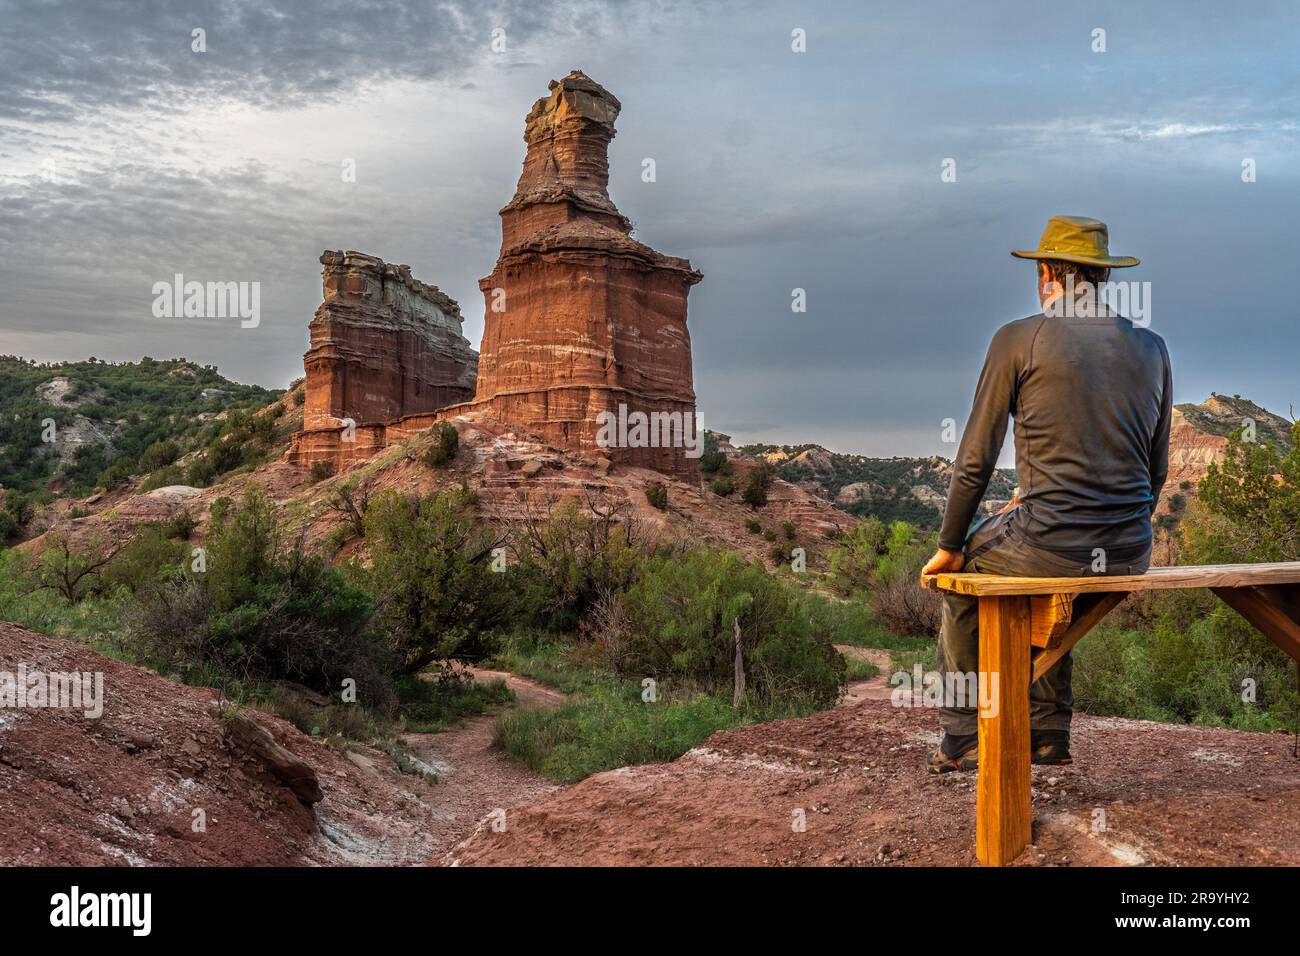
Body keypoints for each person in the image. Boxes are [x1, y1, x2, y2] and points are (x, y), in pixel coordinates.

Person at [921, 215, 1172, 773]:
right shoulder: (1153, 347)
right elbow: (1157, 470)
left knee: (961, 586)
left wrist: (949, 543)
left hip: (1050, 540)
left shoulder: (1017, 339)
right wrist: (1111, 523)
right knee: (1050, 571)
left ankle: (963, 731)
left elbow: (975, 459)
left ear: (1048, 272)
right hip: (1132, 549)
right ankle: (1050, 730)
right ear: (1103, 276)